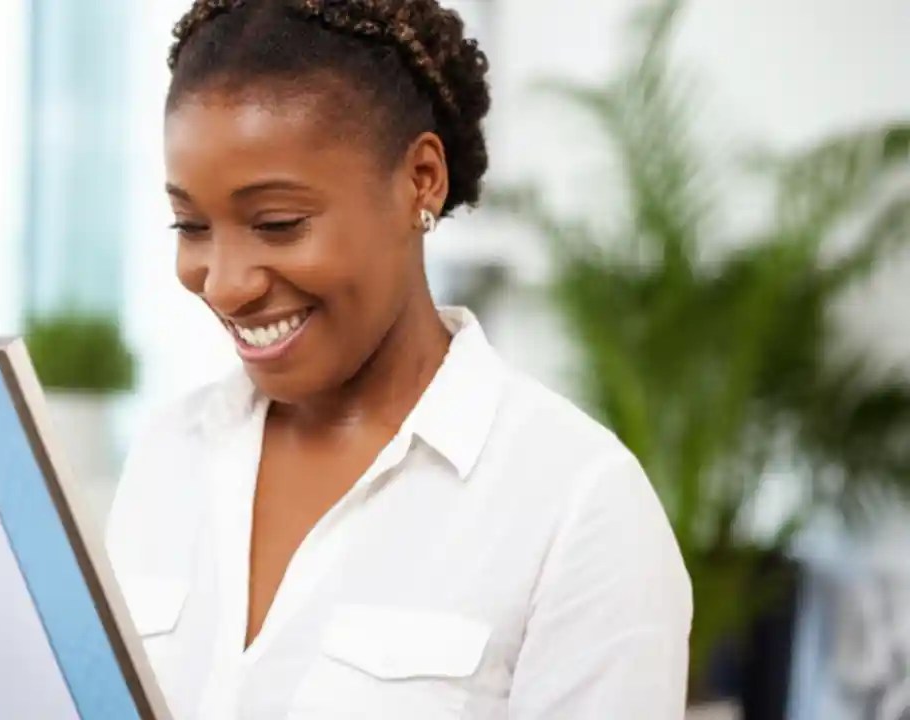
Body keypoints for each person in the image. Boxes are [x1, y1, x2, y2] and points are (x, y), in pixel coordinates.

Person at [106, 1, 692, 717]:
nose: (224, 282)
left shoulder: (576, 505)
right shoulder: (169, 456)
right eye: (191, 225)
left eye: (279, 225)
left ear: (421, 179)